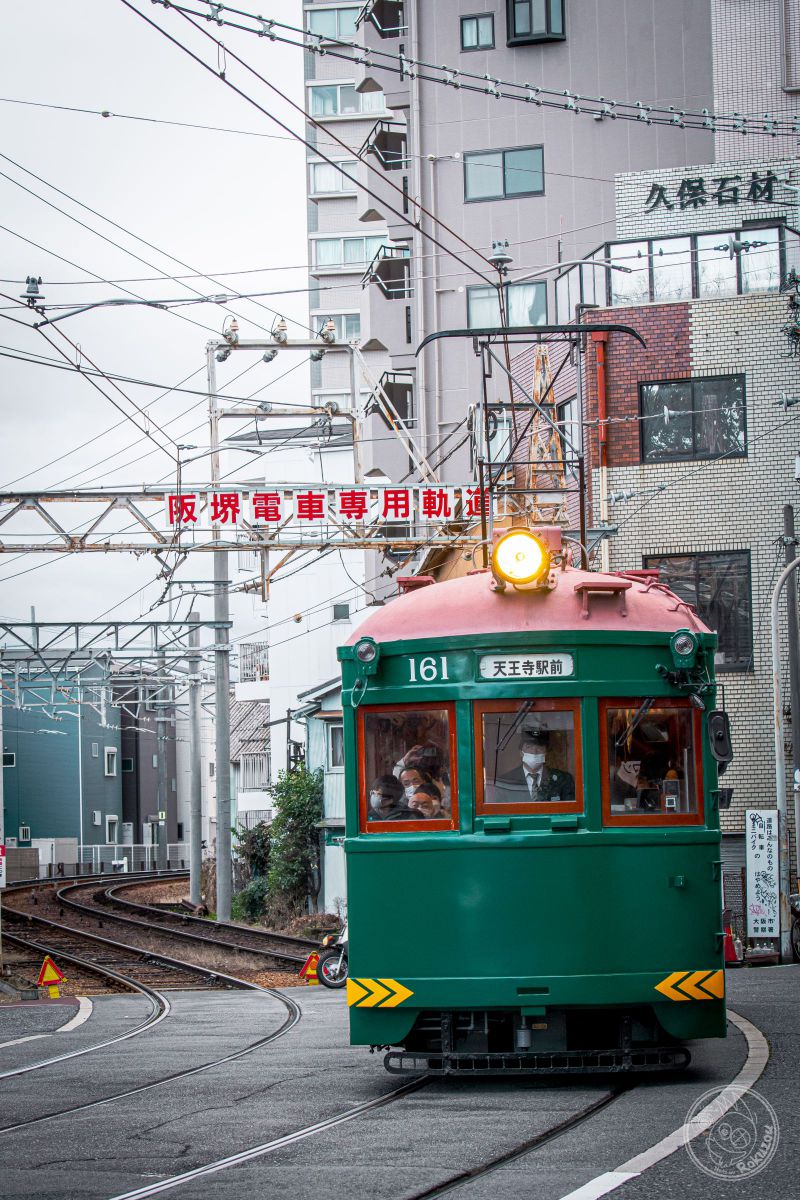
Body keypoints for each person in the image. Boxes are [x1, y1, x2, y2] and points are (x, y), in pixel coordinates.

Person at [491, 728, 575, 804]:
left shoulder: (563, 779)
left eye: (540, 747)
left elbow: (570, 812)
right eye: (529, 747)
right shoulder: (504, 782)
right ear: (521, 752)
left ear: (546, 752)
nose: (534, 752)